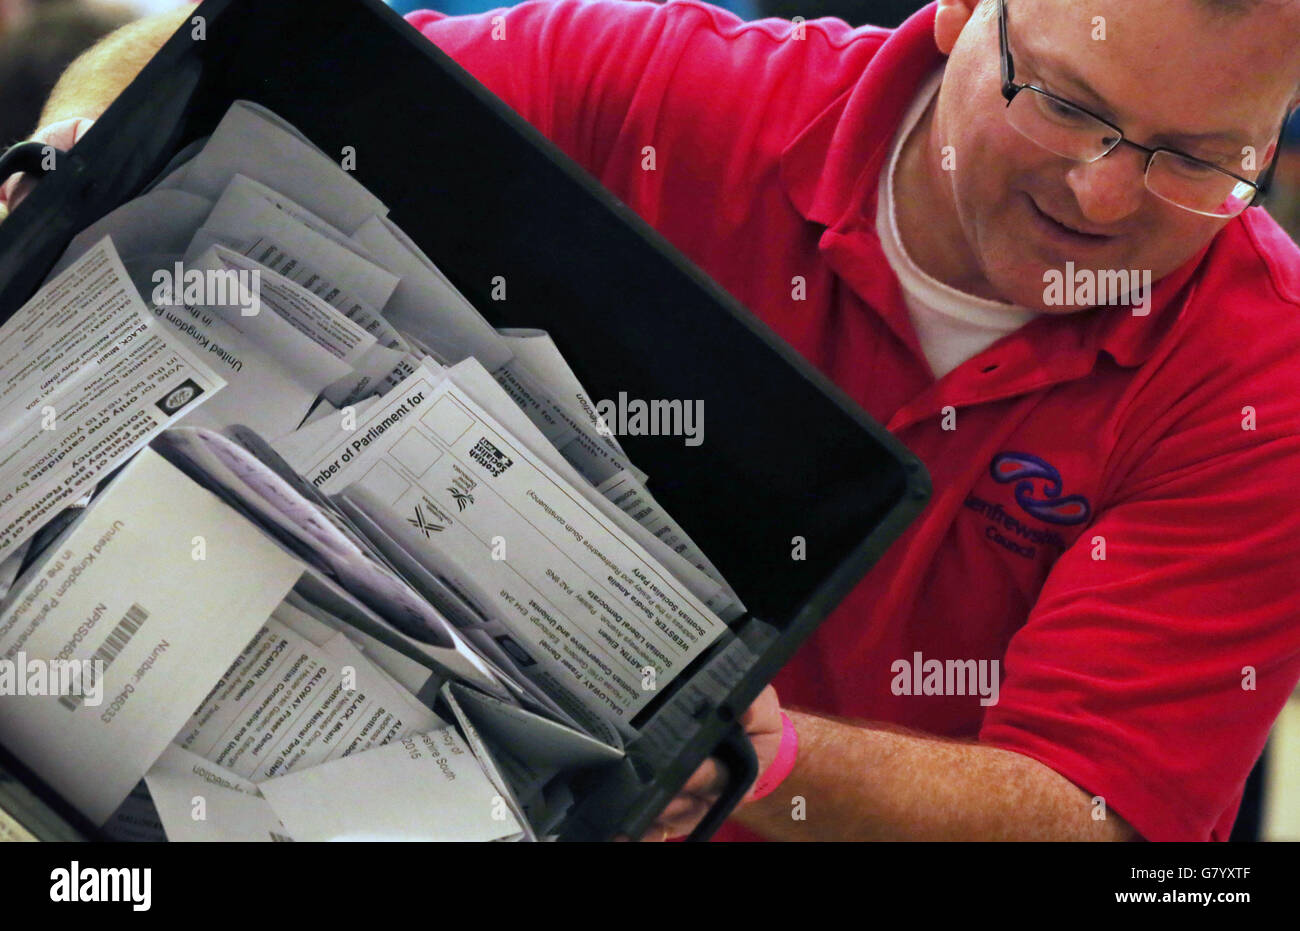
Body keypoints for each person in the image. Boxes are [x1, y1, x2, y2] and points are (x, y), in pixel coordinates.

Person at [10, 0, 1300, 842]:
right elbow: (262, 76)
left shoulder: (1266, 377)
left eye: (1200, 160)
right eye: (1065, 102)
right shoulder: (659, 98)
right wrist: (72, 158)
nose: (1102, 187)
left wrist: (767, 757)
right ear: (967, 13)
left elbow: (1101, 825)